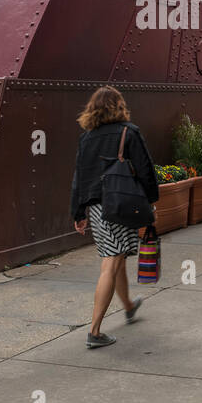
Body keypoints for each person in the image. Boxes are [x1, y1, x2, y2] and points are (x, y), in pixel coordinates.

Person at [68, 86, 159, 349]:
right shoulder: (129, 132)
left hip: (97, 208)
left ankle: (129, 306)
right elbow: (145, 170)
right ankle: (94, 332)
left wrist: (78, 211)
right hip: (122, 204)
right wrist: (152, 202)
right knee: (111, 262)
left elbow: (79, 178)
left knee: (117, 256)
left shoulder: (87, 138)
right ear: (118, 106)